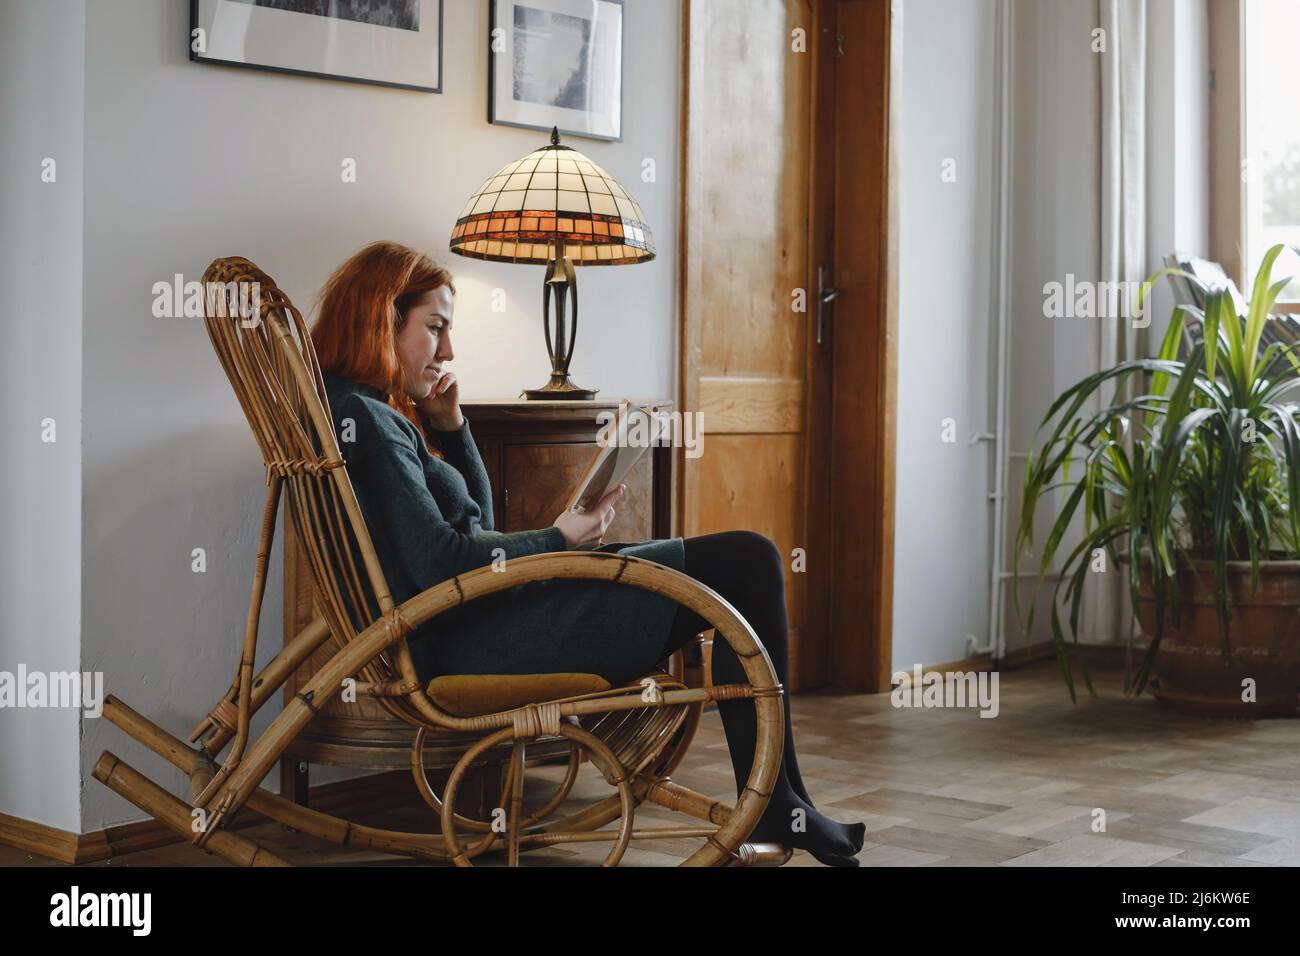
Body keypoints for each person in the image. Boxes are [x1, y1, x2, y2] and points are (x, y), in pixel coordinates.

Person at [309, 241, 866, 866]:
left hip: (488, 619)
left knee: (747, 562)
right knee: (747, 561)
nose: (448, 351)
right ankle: (777, 803)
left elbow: (475, 529)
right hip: (483, 643)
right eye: (434, 329)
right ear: (381, 323)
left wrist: (451, 428)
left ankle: (780, 800)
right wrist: (559, 540)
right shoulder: (372, 423)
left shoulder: (364, 412)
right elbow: (443, 562)